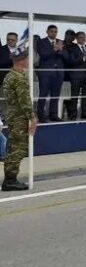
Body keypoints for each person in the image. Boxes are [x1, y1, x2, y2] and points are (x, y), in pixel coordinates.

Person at [2, 49, 38, 191]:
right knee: (18, 149)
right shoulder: (18, 78)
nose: (28, 61)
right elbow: (24, 101)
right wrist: (32, 117)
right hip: (19, 117)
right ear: (21, 60)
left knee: (13, 148)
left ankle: (10, 179)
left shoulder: (9, 75)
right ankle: (10, 180)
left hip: (12, 115)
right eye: (27, 58)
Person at [36, 25, 66, 122]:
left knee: (55, 95)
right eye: (52, 31)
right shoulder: (41, 42)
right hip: (46, 73)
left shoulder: (60, 42)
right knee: (43, 94)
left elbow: (66, 56)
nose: (54, 33)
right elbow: (43, 55)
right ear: (47, 32)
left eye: (55, 31)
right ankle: (41, 115)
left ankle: (53, 114)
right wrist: (55, 49)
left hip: (58, 73)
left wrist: (60, 50)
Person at [64, 31, 86, 120]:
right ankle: (72, 114)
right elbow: (72, 61)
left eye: (84, 37)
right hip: (76, 75)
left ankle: (85, 113)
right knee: (75, 95)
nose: (83, 39)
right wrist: (84, 57)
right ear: (77, 38)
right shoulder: (71, 48)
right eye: (81, 37)